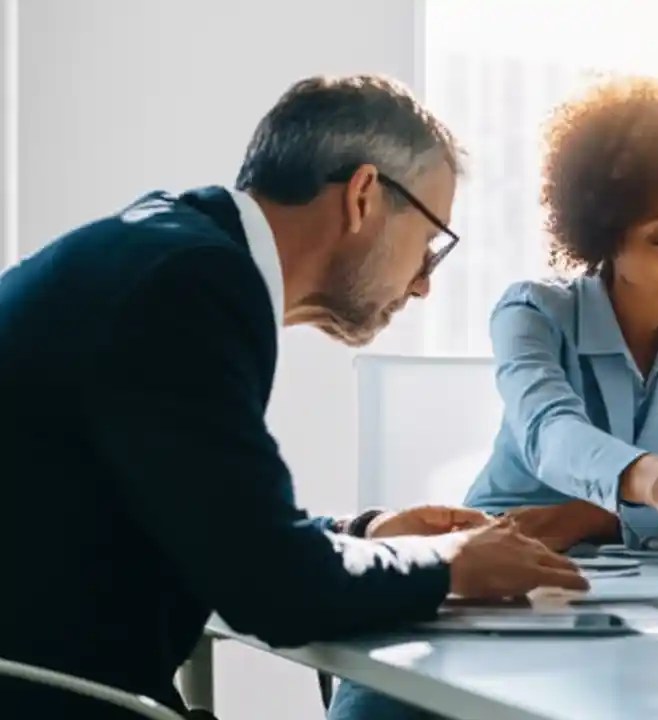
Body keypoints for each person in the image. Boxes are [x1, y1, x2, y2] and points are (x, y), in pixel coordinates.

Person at [1, 74, 593, 720]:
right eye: (429, 246)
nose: (423, 284)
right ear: (364, 195)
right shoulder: (190, 287)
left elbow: (216, 534)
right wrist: (448, 563)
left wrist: (362, 534)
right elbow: (273, 592)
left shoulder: (162, 246)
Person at [328, 76, 658, 720]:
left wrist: (597, 518)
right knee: (395, 705)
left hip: (630, 589)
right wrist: (657, 490)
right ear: (607, 232)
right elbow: (551, 434)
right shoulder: (531, 310)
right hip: (496, 558)